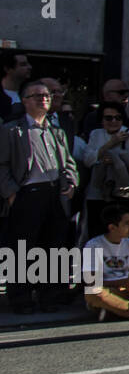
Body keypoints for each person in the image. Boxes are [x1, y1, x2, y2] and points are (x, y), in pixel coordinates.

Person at [0, 79, 79, 313]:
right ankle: (21, 297)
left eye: (46, 95)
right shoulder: (11, 130)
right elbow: (1, 165)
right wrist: (11, 193)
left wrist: (72, 181)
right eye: (36, 95)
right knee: (22, 248)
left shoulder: (56, 130)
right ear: (24, 101)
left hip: (54, 193)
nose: (43, 98)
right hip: (26, 194)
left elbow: (68, 162)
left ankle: (51, 295)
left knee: (53, 246)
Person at [77, 103, 129, 229]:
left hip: (123, 191)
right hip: (98, 191)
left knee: (123, 230)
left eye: (118, 118)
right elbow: (88, 160)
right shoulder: (96, 134)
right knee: (97, 229)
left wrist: (123, 159)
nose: (113, 121)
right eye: (108, 118)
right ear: (101, 120)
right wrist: (110, 144)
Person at [1, 51, 32, 119]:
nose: (29, 67)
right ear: (8, 69)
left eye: (28, 64)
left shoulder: (29, 93)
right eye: (23, 64)